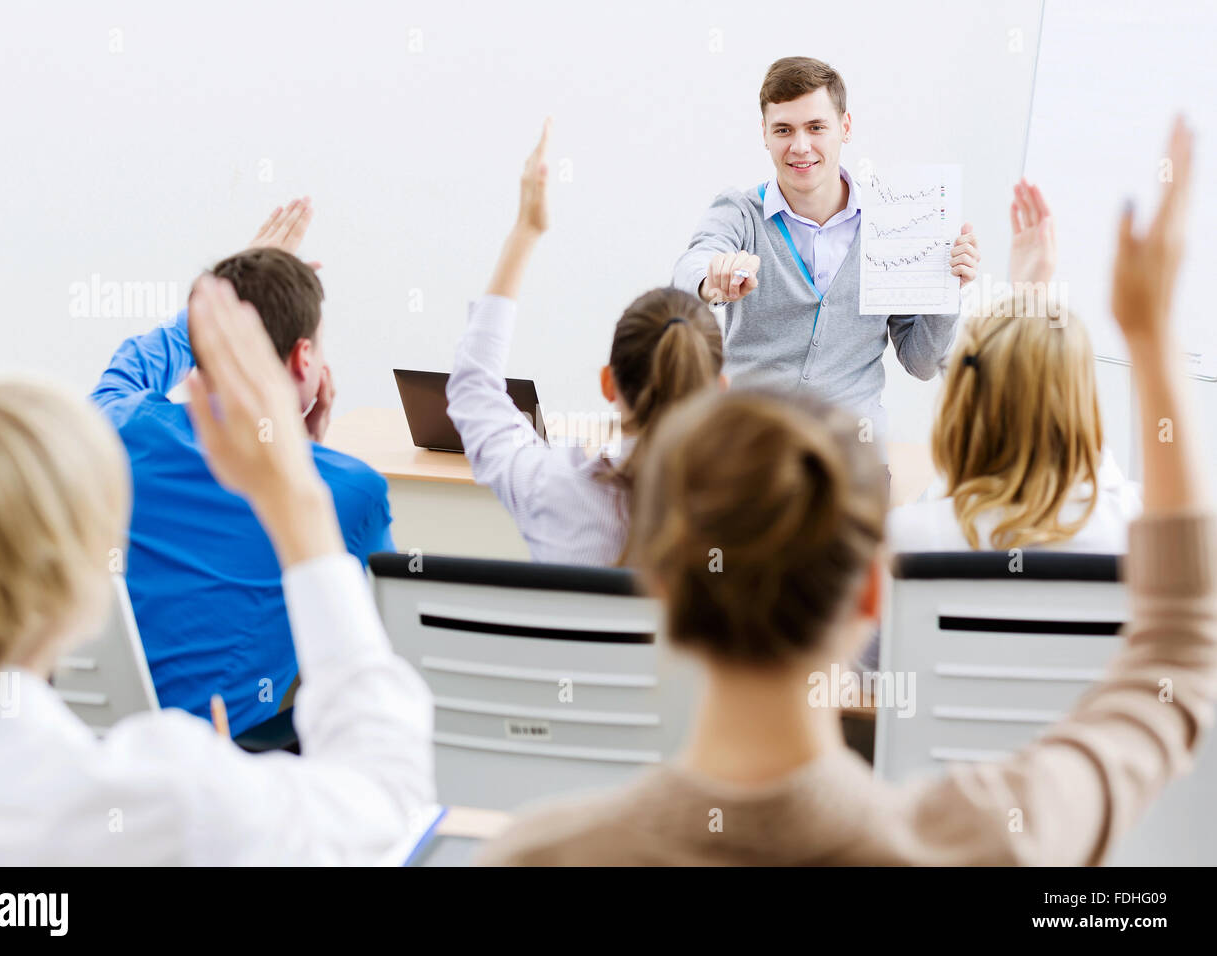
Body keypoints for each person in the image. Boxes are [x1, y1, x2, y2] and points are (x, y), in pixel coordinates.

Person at [480, 118, 1214, 865]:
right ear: (872, 584)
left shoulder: (538, 853)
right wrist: (1147, 333)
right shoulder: (972, 838)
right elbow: (1179, 658)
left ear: (662, 583)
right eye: (783, 129)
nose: (800, 144)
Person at [0, 275, 433, 864]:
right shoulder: (174, 800)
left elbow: (123, 379)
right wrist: (297, 499)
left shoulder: (126, 423)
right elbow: (385, 806)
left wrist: (200, 325)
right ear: (83, 591)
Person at [91, 200, 393, 733]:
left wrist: (219, 306)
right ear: (305, 360)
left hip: (102, 746)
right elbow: (378, 652)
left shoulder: (121, 423)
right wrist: (303, 459)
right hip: (226, 769)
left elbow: (135, 363)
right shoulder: (349, 491)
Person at [672, 56, 980, 466]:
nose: (800, 146)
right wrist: (712, 280)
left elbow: (922, 363)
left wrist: (945, 289)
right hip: (749, 451)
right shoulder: (740, 212)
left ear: (845, 128)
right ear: (764, 134)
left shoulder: (891, 221)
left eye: (816, 127)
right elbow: (692, 265)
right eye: (784, 130)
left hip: (849, 460)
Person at [447, 120, 725, 565]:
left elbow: (472, 389)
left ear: (608, 383)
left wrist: (525, 231)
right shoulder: (755, 510)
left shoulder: (550, 485)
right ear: (719, 392)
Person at [888, 180, 1141, 553]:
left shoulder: (912, 536)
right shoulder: (1132, 528)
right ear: (1080, 409)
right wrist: (1031, 297)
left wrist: (1026, 297)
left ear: (961, 407)